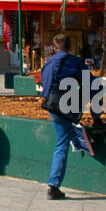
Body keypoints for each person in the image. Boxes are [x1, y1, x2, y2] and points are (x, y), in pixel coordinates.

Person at [40, 32, 99, 200]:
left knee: (63, 133)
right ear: (70, 47)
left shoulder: (48, 63)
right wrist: (95, 114)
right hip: (67, 106)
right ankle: (53, 185)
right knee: (61, 143)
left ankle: (78, 136)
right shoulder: (75, 62)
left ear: (54, 47)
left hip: (52, 106)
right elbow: (90, 85)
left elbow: (44, 85)